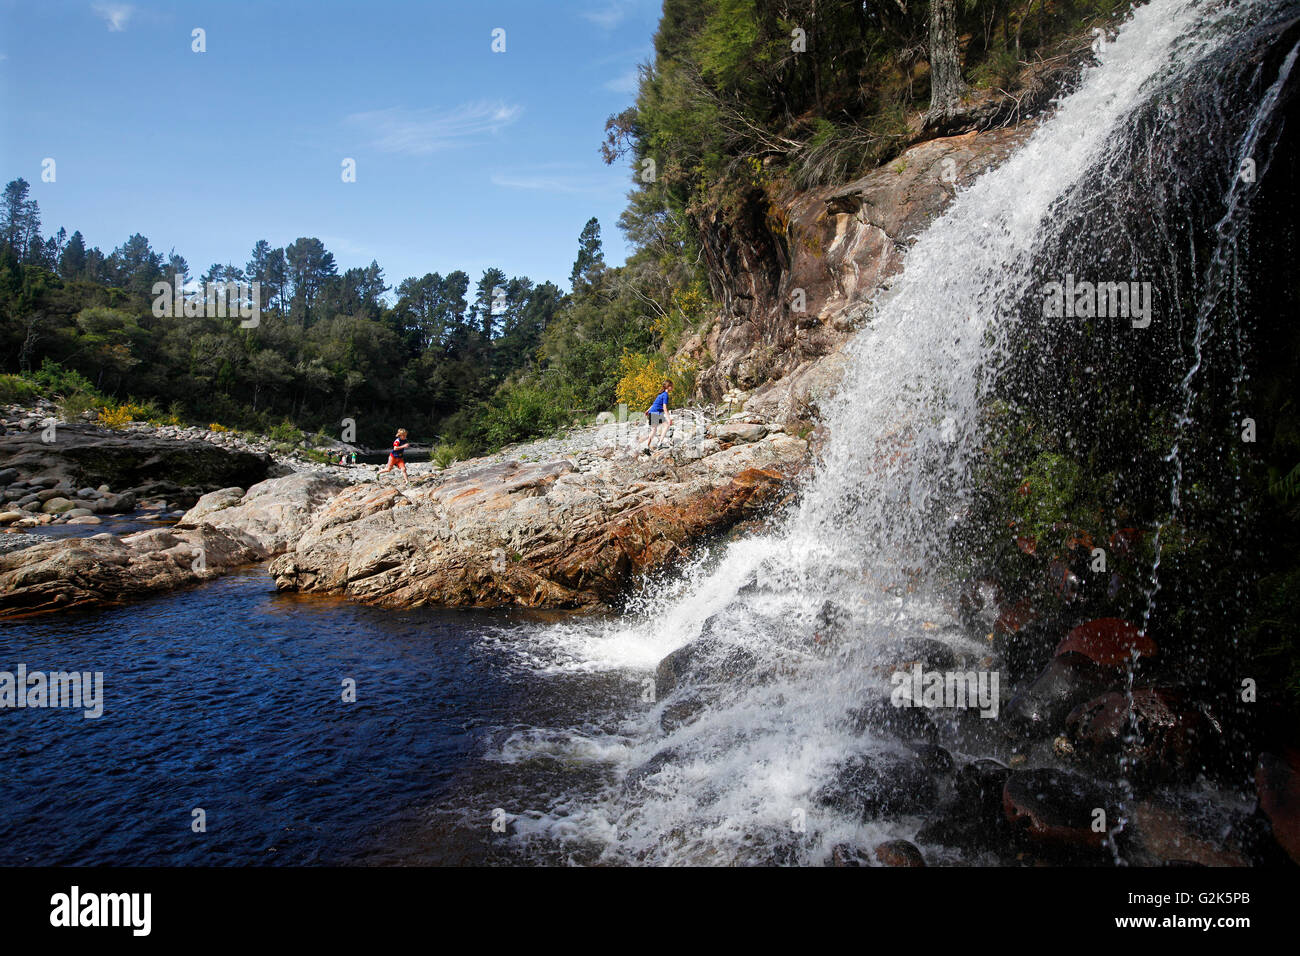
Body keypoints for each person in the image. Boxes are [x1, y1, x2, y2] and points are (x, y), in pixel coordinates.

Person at [642, 381, 672, 452]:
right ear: (668, 386)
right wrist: (669, 418)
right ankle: (660, 444)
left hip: (652, 412)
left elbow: (654, 404)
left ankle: (647, 447)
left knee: (654, 430)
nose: (672, 388)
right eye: (671, 386)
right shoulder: (665, 395)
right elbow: (665, 408)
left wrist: (647, 411)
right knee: (667, 425)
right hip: (656, 412)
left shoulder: (660, 394)